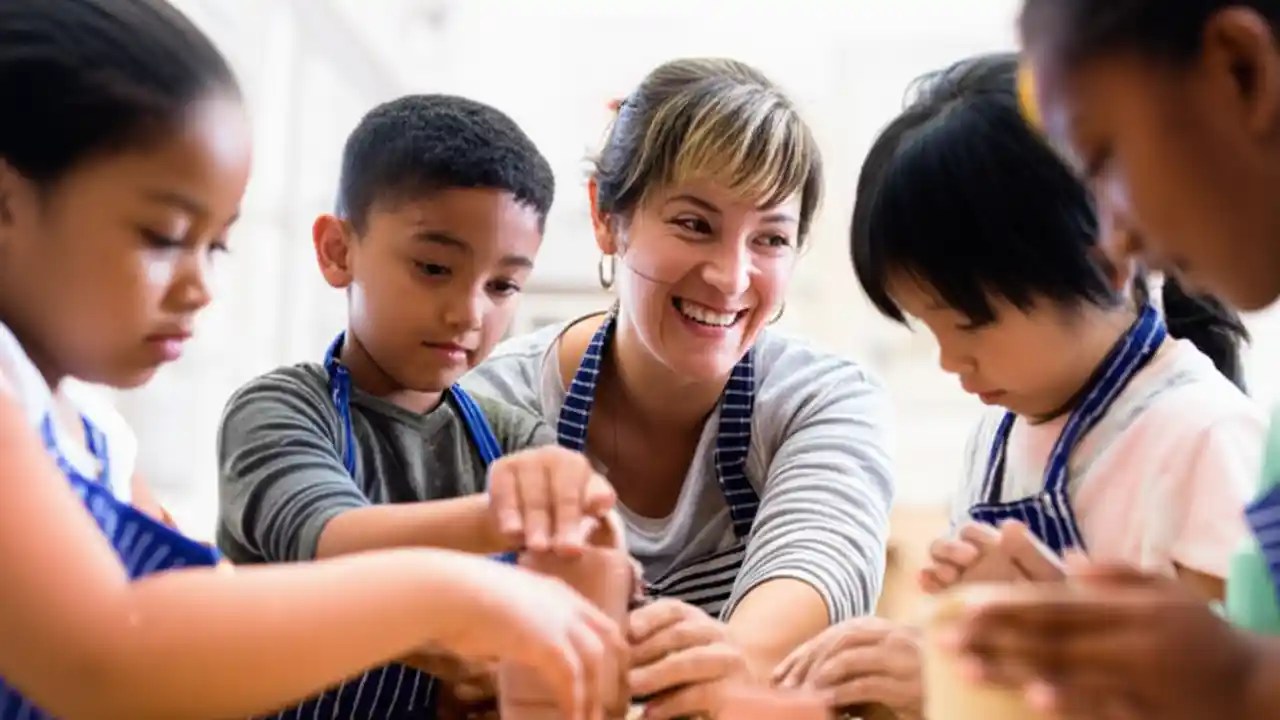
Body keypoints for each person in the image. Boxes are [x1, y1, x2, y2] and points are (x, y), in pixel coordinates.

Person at [0, 2, 625, 719]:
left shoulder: (94, 437)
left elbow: (209, 615)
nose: (201, 284)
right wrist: (458, 595)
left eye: (217, 246)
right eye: (164, 235)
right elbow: (107, 656)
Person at [772, 52, 1264, 719]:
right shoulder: (997, 439)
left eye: (971, 324)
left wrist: (992, 668)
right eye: (929, 326)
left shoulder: (1203, 437)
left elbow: (1228, 700)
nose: (951, 361)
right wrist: (912, 656)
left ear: (1108, 260)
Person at [462, 56, 896, 719]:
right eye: (695, 224)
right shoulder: (493, 403)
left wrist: (727, 666)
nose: (730, 276)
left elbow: (817, 572)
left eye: (771, 238)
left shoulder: (825, 402)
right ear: (608, 217)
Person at [214, 93, 629, 717]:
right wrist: (512, 519)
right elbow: (334, 544)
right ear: (337, 251)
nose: (468, 313)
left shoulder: (516, 439)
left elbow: (587, 596)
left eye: (503, 285)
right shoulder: (279, 411)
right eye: (434, 267)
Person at [948, 1, 1280, 718]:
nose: (1113, 242)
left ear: (1240, 71)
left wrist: (1241, 683)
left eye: (1102, 161)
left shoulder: (1206, 429)